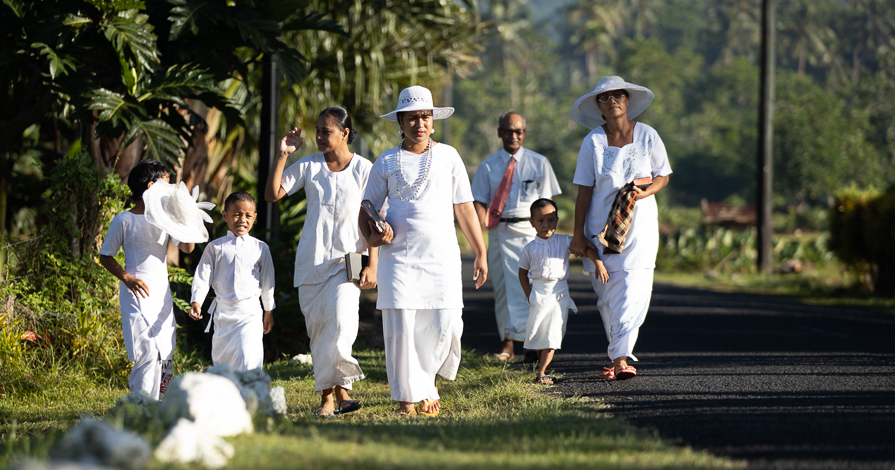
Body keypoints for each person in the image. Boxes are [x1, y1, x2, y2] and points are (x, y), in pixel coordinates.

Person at [360, 85, 487, 417]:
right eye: (412, 118)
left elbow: (464, 207)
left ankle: (427, 382)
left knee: (445, 322)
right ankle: (406, 399)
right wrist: (375, 236)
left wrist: (480, 251)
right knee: (402, 326)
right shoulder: (386, 161)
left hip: (442, 255)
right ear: (400, 121)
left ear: (433, 120)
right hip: (398, 258)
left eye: (425, 117)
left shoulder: (448, 156)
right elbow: (367, 209)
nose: (420, 123)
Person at [265, 106, 375, 418]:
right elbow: (272, 194)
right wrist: (283, 154)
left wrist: (373, 264)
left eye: (327, 131)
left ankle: (341, 391)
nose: (319, 137)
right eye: (318, 130)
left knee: (340, 325)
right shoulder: (308, 166)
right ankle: (332, 397)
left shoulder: (365, 170)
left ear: (345, 134)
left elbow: (373, 221)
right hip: (311, 261)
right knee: (319, 332)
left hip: (349, 260)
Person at [569, 76, 672, 380]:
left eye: (618, 96)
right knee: (608, 296)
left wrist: (645, 192)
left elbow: (662, 175)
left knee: (634, 287)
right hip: (601, 228)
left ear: (628, 101)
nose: (612, 101)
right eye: (605, 98)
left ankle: (621, 359)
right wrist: (578, 234)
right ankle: (617, 351)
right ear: (598, 106)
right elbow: (584, 191)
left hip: (639, 225)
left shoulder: (648, 135)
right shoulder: (592, 142)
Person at [99, 160, 195, 400]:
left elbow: (188, 248)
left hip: (161, 294)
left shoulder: (166, 220)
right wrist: (127, 278)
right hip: (136, 293)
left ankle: (160, 403)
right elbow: (105, 255)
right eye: (167, 183)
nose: (172, 188)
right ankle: (140, 404)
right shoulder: (124, 220)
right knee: (147, 350)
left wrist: (186, 218)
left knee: (165, 351)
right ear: (151, 186)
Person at [471, 112, 561, 361]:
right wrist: (476, 238)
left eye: (518, 131)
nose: (513, 136)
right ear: (499, 132)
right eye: (508, 131)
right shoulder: (488, 166)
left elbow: (549, 203)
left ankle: (534, 343)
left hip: (534, 232)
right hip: (500, 232)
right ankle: (508, 343)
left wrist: (550, 237)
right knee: (505, 290)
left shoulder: (539, 162)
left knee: (537, 286)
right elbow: (478, 203)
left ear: (524, 133)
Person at [518, 199, 607, 385]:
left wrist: (598, 263)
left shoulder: (565, 241)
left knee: (553, 332)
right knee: (538, 332)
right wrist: (529, 295)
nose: (546, 225)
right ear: (531, 222)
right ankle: (546, 367)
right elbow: (522, 273)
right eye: (540, 221)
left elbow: (586, 248)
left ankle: (541, 372)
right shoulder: (529, 248)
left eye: (551, 220)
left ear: (557, 220)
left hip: (559, 293)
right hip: (538, 294)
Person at [188, 192, 275, 372]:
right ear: (225, 215)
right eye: (236, 214)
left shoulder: (260, 248)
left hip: (250, 312)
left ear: (254, 218)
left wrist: (268, 310)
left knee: (248, 355)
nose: (242, 219)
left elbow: (268, 281)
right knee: (223, 358)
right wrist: (197, 301)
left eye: (248, 215)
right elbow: (203, 276)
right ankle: (227, 394)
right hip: (223, 314)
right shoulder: (215, 247)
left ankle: (250, 395)